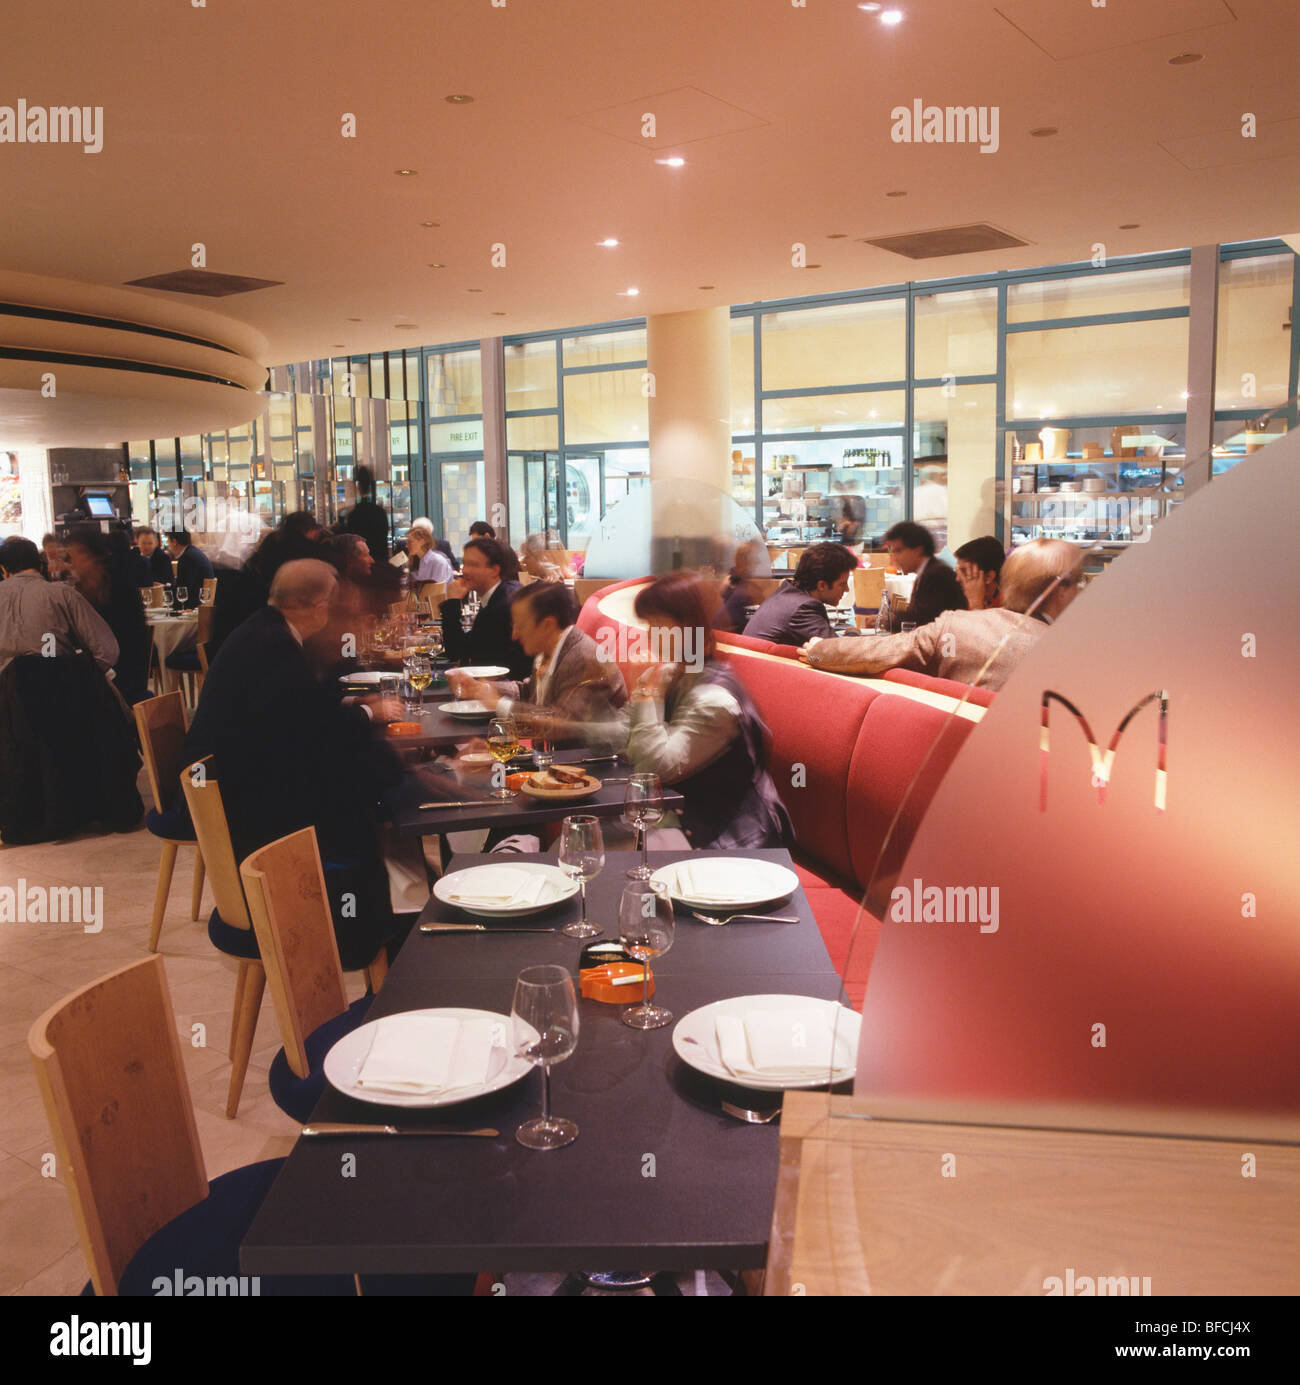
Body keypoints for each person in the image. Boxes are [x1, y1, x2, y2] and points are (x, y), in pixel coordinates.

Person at [182, 559, 407, 969]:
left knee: (371, 783)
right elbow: (305, 735)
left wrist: (351, 706)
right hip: (259, 823)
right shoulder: (273, 646)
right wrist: (367, 716)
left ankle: (389, 920)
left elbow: (297, 712)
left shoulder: (262, 631)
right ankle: (363, 937)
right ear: (318, 605)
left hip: (245, 792)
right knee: (367, 798)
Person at [595, 572, 790, 850]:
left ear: (686, 628)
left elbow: (656, 769)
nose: (648, 635)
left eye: (656, 624)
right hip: (677, 817)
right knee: (586, 834)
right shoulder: (672, 674)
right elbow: (622, 732)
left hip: (728, 837)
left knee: (595, 849)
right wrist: (566, 727)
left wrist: (647, 696)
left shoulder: (715, 700)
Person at [801, 538, 1085, 691]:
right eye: (1081, 582)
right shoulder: (1078, 659)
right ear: (1060, 591)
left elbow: (878, 651)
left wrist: (819, 650)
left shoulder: (955, 627)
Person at [447, 581, 627, 740]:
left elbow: (564, 724)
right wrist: (483, 688)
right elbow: (529, 690)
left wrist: (499, 704)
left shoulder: (584, 659)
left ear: (547, 625)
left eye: (520, 625)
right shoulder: (549, 648)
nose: (514, 635)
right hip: (553, 753)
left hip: (591, 763)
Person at [0, 536, 119, 680]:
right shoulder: (64, 594)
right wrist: (75, 677)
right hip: (59, 692)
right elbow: (107, 652)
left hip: (5, 697)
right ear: (41, 566)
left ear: (3, 570)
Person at [64, 526, 153, 706]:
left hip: (124, 674)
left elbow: (122, 642)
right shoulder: (86, 588)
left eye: (72, 557)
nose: (70, 564)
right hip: (104, 670)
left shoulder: (117, 585)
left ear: (89, 555)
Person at [439, 536, 530, 679]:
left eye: (473, 565)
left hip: (505, 689)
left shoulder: (499, 608)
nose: (465, 571)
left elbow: (456, 652)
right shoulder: (509, 589)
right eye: (465, 564)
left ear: (494, 570)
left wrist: (452, 603)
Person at [743, 542, 857, 647]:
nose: (847, 589)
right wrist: (853, 633)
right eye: (842, 584)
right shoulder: (804, 609)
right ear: (821, 585)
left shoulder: (786, 592)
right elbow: (839, 651)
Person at [882, 520, 966, 628]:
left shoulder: (937, 575)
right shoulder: (927, 571)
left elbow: (924, 620)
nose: (895, 558)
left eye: (898, 551)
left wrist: (890, 619)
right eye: (892, 552)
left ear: (918, 550)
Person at [714, 538, 769, 632]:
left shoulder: (733, 580)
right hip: (731, 641)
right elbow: (756, 624)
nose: (759, 561)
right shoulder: (745, 591)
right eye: (756, 557)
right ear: (747, 562)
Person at [343, 463, 390, 561]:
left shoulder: (353, 514)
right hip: (380, 561)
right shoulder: (380, 512)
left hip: (361, 562)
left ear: (358, 486)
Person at [954, 536, 1005, 610]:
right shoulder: (964, 598)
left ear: (988, 577)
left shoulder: (1007, 609)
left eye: (964, 571)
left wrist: (976, 604)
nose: (957, 579)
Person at [166, 529, 214, 609]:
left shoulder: (187, 558)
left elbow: (183, 591)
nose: (168, 545)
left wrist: (165, 589)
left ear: (174, 542)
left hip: (194, 607)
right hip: (200, 604)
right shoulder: (193, 552)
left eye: (168, 541)